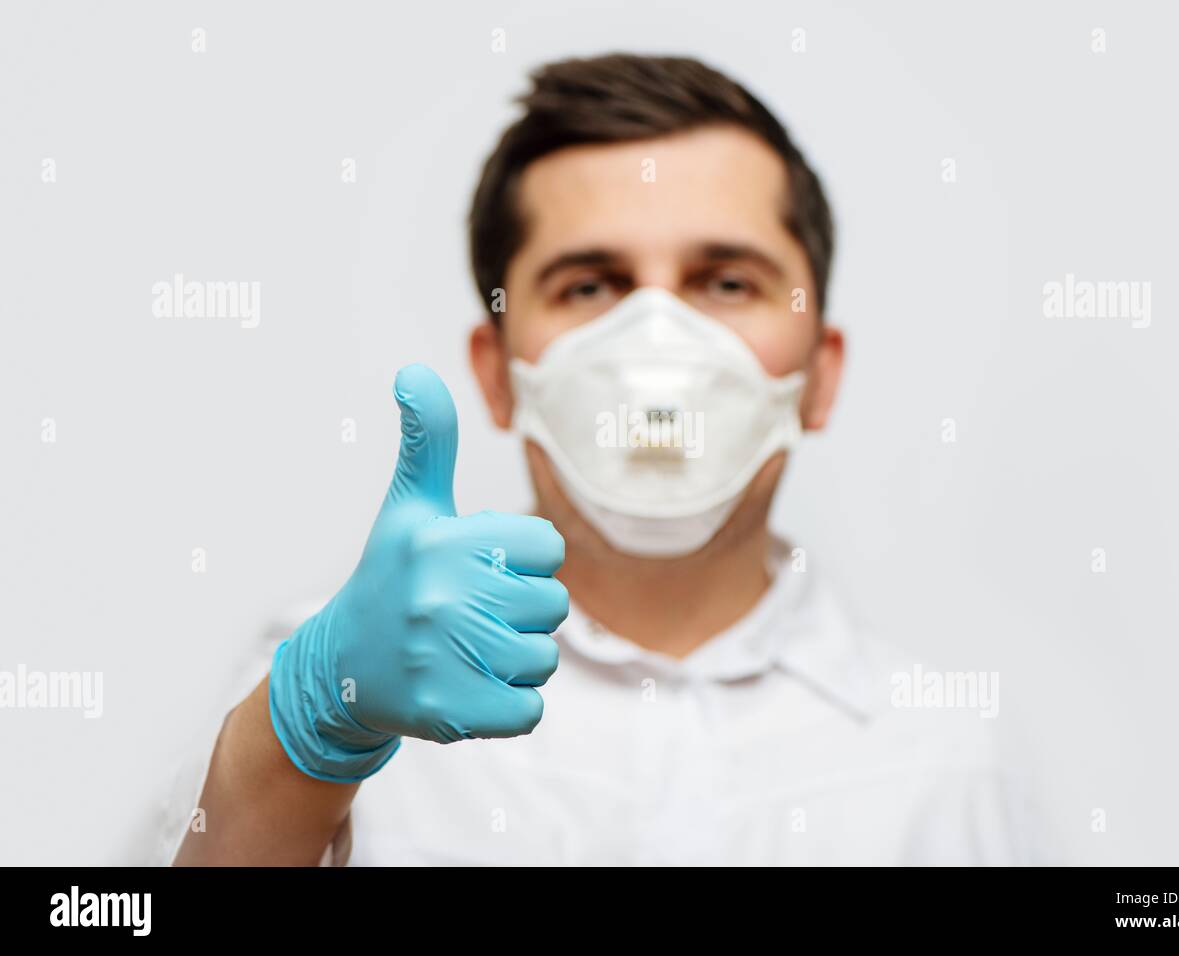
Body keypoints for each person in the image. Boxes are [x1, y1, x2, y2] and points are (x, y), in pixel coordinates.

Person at [159, 53, 1046, 865]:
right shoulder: (330, 695)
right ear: (498, 374)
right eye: (591, 285)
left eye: (727, 281)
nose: (658, 344)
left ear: (820, 374)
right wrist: (298, 740)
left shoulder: (951, 758)